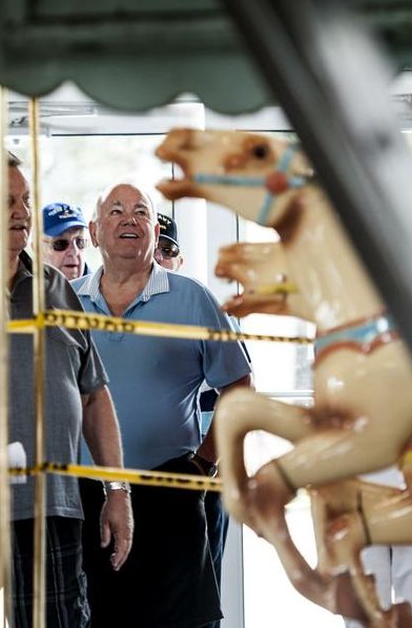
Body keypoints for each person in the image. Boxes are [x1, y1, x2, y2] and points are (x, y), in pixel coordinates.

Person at [72, 183, 252, 628]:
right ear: (95, 232)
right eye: (115, 211)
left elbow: (240, 387)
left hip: (169, 490)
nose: (128, 219)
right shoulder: (65, 298)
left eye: (140, 212)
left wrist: (205, 462)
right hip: (85, 494)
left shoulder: (192, 299)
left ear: (155, 230)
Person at [0, 150, 133, 628]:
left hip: (52, 510)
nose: (22, 212)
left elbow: (93, 394)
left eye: (25, 199)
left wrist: (117, 489)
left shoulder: (56, 289)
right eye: (6, 201)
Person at [153, 214, 229, 622]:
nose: (161, 257)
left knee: (201, 595)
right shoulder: (116, 307)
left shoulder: (199, 305)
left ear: (179, 261)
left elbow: (238, 389)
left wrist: (206, 463)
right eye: (156, 247)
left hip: (202, 475)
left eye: (170, 250)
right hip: (142, 482)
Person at [42, 202, 91, 281]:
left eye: (80, 242)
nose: (74, 252)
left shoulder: (102, 290)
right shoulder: (23, 290)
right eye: (60, 244)